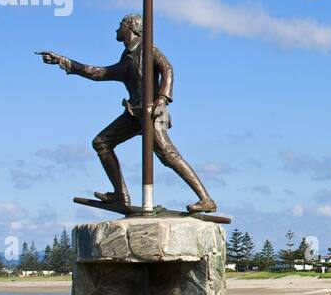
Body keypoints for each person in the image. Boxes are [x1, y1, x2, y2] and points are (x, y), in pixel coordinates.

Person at [39, 14, 216, 213]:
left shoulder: (148, 49)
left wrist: (163, 99)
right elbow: (98, 73)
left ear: (130, 26)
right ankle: (120, 195)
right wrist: (64, 61)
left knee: (169, 155)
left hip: (151, 114)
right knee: (101, 142)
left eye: (120, 25)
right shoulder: (127, 57)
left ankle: (206, 200)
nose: (117, 29)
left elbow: (167, 69)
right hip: (134, 113)